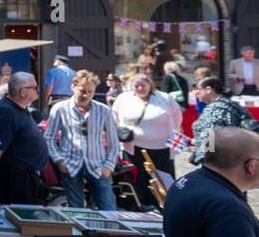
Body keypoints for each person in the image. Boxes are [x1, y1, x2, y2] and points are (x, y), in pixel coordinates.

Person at [45, 70, 120, 210]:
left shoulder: (103, 110)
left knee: (109, 209)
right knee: (76, 209)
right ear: (73, 87)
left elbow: (113, 142)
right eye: (82, 91)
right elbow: (49, 137)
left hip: (98, 164)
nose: (86, 95)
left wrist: (109, 166)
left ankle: (109, 233)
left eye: (90, 91)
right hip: (70, 164)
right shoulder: (59, 108)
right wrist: (59, 160)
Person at [113, 72, 183, 207]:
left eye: (143, 85)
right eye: (136, 85)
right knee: (137, 178)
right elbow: (114, 117)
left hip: (162, 147)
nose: (140, 88)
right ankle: (137, 204)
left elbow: (177, 117)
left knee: (161, 178)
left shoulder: (164, 98)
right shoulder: (123, 98)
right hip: (133, 146)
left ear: (149, 85)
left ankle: (162, 205)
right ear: (131, 86)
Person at [0, 71, 48, 205]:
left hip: (25, 174)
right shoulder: (7, 112)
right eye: (35, 87)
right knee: (19, 216)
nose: (38, 90)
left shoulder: (19, 107)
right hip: (17, 176)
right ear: (23, 92)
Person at [190, 77, 259, 165]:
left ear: (208, 90)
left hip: (221, 164)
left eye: (197, 89)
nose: (195, 93)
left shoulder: (212, 110)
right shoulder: (233, 104)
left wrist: (207, 164)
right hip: (241, 157)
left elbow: (211, 143)